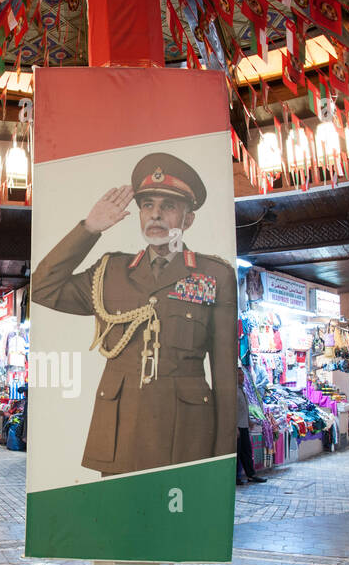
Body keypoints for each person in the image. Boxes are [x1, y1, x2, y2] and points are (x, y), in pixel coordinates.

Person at [32, 153, 237, 476]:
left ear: (187, 220)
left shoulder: (215, 276)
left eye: (168, 206)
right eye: (147, 205)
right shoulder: (110, 271)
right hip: (120, 437)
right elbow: (42, 288)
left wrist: (222, 463)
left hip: (185, 441)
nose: (155, 214)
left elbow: (225, 381)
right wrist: (89, 229)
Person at [236, 366, 266, 485]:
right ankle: (236, 477)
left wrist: (249, 421)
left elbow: (244, 410)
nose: (242, 377)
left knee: (247, 451)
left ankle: (251, 475)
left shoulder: (242, 390)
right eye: (239, 375)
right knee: (238, 453)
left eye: (242, 375)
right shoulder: (234, 391)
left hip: (244, 426)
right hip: (238, 427)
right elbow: (231, 410)